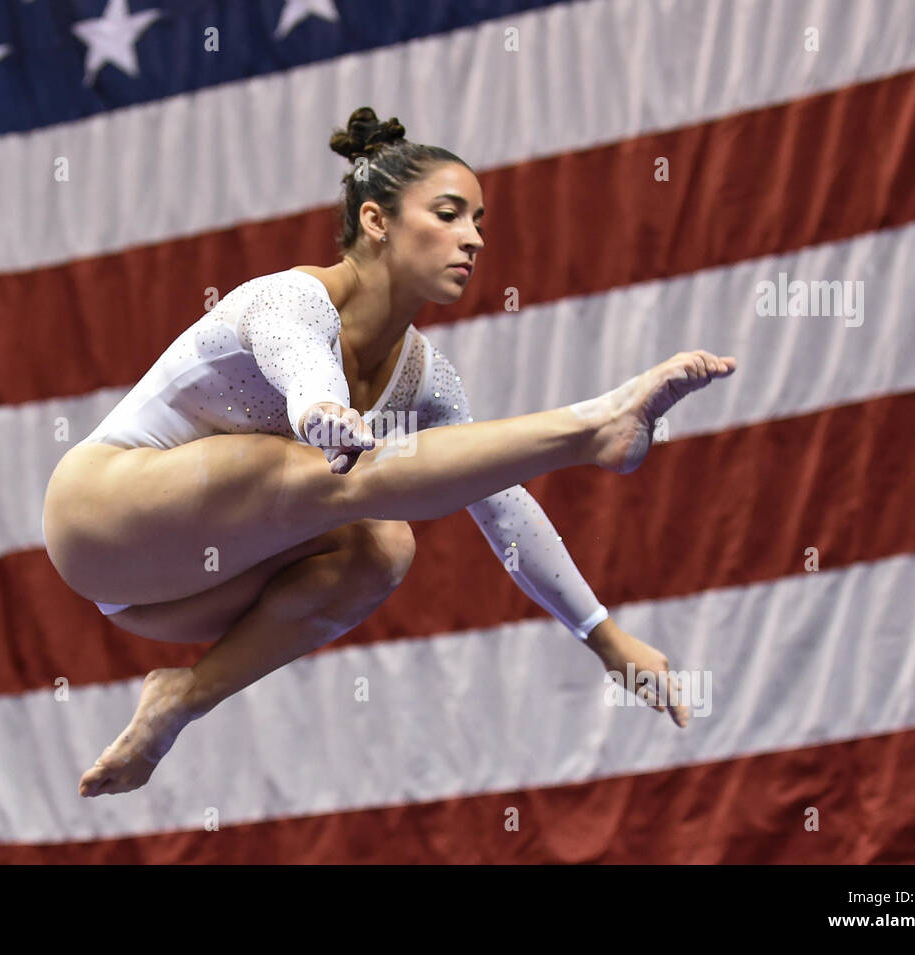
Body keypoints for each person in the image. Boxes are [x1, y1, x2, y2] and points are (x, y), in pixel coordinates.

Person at [41, 107, 738, 798]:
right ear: (377, 221)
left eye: (479, 222)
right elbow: (303, 377)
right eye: (449, 214)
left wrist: (608, 639)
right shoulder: (292, 299)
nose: (473, 239)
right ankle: (592, 427)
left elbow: (503, 506)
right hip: (99, 514)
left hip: (163, 593)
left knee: (385, 548)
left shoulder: (425, 377)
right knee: (343, 474)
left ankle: (183, 697)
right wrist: (319, 414)